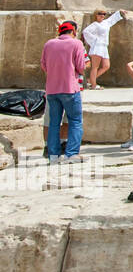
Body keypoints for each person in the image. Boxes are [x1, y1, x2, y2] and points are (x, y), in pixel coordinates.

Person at [41, 20, 87, 164]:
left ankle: (53, 156)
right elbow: (81, 67)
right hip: (70, 88)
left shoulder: (48, 44)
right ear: (73, 31)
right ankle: (71, 154)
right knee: (75, 121)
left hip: (52, 89)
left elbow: (44, 65)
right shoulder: (76, 43)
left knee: (54, 122)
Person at [81, 8, 127, 89]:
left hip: (104, 46)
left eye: (104, 14)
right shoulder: (95, 24)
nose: (102, 15)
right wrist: (95, 40)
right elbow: (86, 32)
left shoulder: (106, 23)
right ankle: (93, 85)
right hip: (97, 46)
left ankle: (90, 80)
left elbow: (112, 19)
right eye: (100, 14)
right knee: (95, 67)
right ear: (96, 15)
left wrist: (119, 11)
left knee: (106, 66)